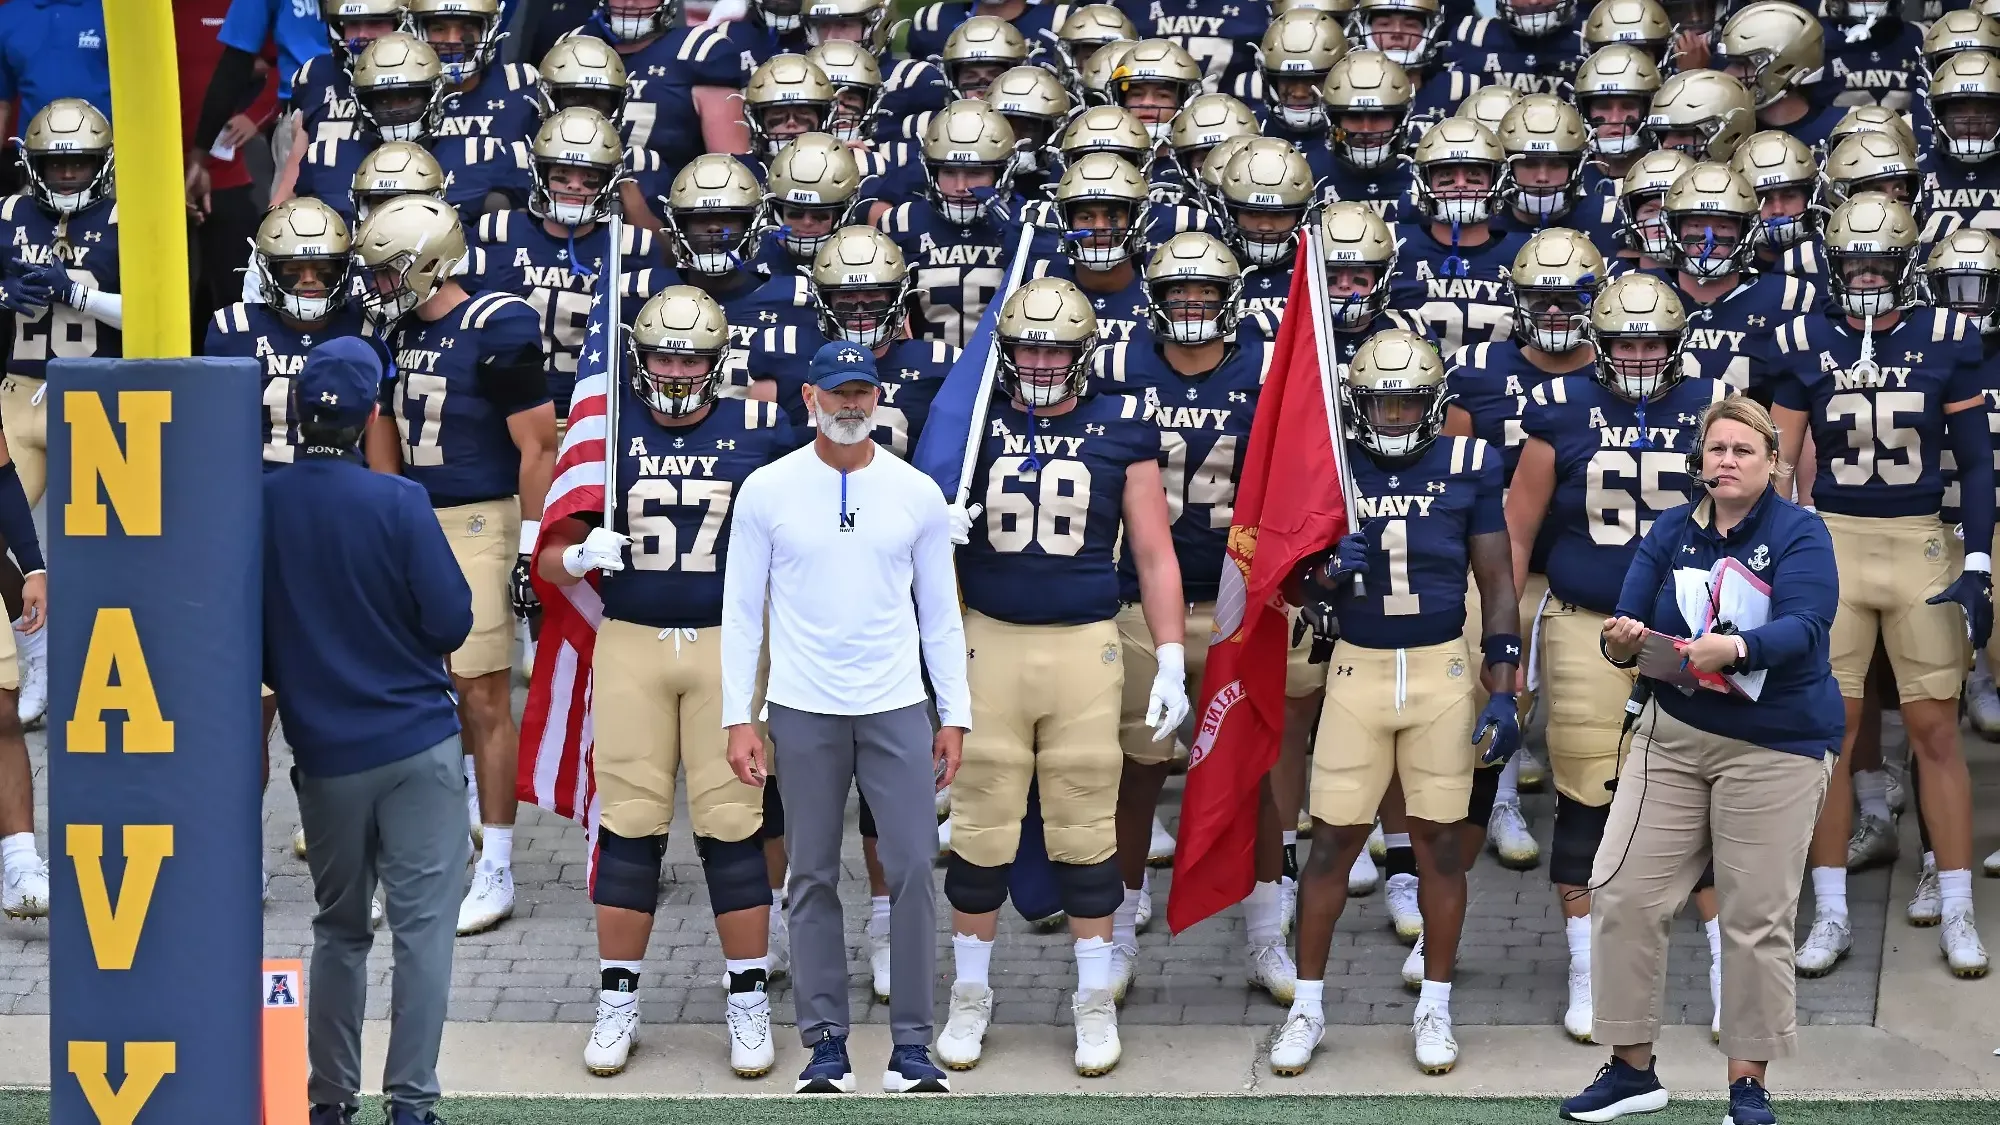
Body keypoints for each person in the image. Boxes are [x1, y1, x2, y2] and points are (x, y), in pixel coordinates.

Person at [1559, 394, 1841, 1125]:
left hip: (1775, 743)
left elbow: (1807, 627)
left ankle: (1747, 1083)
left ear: (1773, 462)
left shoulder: (1802, 532)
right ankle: (1631, 1069)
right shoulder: (1670, 531)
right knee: (1620, 889)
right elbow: (1627, 624)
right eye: (1716, 449)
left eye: (1744, 450)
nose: (1728, 461)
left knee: (1754, 916)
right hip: (1675, 733)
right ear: (1700, 461)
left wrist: (1737, 647)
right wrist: (1621, 643)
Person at [534, 287, 794, 1080]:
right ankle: (617, 1002)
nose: (676, 371)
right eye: (662, 356)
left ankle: (747, 1001)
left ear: (718, 363)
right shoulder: (605, 433)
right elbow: (546, 556)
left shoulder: (760, 431)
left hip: (727, 647)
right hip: (632, 644)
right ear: (638, 360)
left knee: (732, 827)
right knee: (630, 828)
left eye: (689, 357)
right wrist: (578, 557)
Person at [929, 277, 1186, 1078]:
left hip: (1084, 645)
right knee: (979, 827)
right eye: (1028, 347)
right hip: (988, 641)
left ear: (1083, 354)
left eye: (1055, 349)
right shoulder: (971, 419)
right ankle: (970, 996)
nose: (1039, 363)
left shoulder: (1120, 422)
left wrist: (1171, 653)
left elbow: (1151, 550)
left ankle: (1091, 1001)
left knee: (1085, 828)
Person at [719, 340, 969, 1096]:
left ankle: (913, 1047)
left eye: (862, 390)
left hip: (897, 706)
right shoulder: (766, 490)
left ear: (877, 395)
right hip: (802, 707)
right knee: (811, 874)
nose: (851, 404)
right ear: (810, 399)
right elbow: (740, 614)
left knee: (916, 869)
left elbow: (940, 617)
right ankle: (825, 1045)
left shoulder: (917, 492)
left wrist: (954, 711)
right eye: (837, 392)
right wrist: (740, 716)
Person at [1274, 330, 1520, 1078]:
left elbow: (1500, 582)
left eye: (1407, 400)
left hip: (1443, 671)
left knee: (1442, 845)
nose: (1391, 415)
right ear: (1357, 403)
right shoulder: (1334, 467)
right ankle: (1308, 1006)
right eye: (1379, 401)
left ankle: (1436, 1003)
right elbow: (1287, 582)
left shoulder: (1470, 463)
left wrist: (1504, 686)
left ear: (1434, 401)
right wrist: (1319, 574)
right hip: (1356, 670)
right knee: (1331, 845)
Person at [1769, 194, 1994, 982]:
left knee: (1936, 732)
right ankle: (1829, 909)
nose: (1865, 279)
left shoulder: (1947, 338)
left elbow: (1975, 460)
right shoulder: (1801, 339)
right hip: (1830, 540)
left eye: (1879, 264)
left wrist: (1978, 560)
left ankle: (1959, 907)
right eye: (1853, 264)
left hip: (1920, 540)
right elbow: (1778, 460)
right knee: (1829, 738)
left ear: (1905, 270)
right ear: (1832, 266)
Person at [1503, 269, 1729, 1044]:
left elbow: (1758, 515)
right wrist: (1504, 634)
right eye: (1626, 340)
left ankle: (1726, 968)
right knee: (1586, 787)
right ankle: (1587, 966)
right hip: (1584, 621)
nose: (1638, 355)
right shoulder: (1560, 410)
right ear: (1598, 343)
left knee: (1699, 786)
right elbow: (1518, 530)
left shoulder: (1712, 411)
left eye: (1653, 341)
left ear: (1678, 345)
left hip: (1689, 630)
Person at [265, 337, 473, 1125]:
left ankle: (329, 1101)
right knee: (424, 935)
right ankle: (412, 1104)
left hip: (325, 755)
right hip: (418, 743)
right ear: (369, 416)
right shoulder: (398, 502)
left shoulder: (264, 502)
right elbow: (453, 619)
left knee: (340, 930)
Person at [355, 194, 556, 936]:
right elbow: (382, 428)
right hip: (414, 520)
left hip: (479, 518)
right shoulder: (393, 328)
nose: (377, 284)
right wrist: (383, 512)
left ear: (429, 261)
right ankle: (423, 853)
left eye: (387, 269)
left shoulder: (496, 324)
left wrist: (534, 540)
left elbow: (538, 446)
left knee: (480, 694)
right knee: (412, 693)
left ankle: (496, 861)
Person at [0, 97, 122, 736]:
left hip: (100, 395)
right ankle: (35, 656)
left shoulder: (131, 213)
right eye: (56, 163)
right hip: (18, 393)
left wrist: (84, 295)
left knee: (111, 547)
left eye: (79, 163)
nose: (69, 174)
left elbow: (159, 311)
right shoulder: (8, 213)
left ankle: (116, 670)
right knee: (6, 540)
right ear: (32, 162)